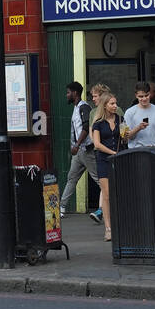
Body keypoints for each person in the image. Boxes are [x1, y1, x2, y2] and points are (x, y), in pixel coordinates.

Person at [59, 81, 98, 218]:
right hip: (79, 152)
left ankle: (109, 205)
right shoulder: (76, 108)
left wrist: (77, 145)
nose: (67, 95)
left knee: (98, 178)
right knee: (72, 178)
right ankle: (62, 207)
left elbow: (86, 127)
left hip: (86, 150)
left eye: (68, 92)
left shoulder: (84, 107)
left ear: (75, 93)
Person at [90, 89, 124, 242]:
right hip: (104, 159)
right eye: (112, 104)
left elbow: (125, 138)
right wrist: (112, 152)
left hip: (119, 158)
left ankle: (120, 225)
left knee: (120, 192)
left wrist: (131, 132)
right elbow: (96, 144)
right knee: (107, 193)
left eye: (115, 103)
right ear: (104, 106)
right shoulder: (97, 124)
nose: (115, 106)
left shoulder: (120, 119)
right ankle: (108, 228)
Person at [123, 82, 155, 149]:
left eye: (146, 95)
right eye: (141, 96)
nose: (144, 99)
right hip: (137, 151)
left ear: (150, 93)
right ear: (136, 95)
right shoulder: (129, 112)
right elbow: (127, 137)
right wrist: (139, 128)